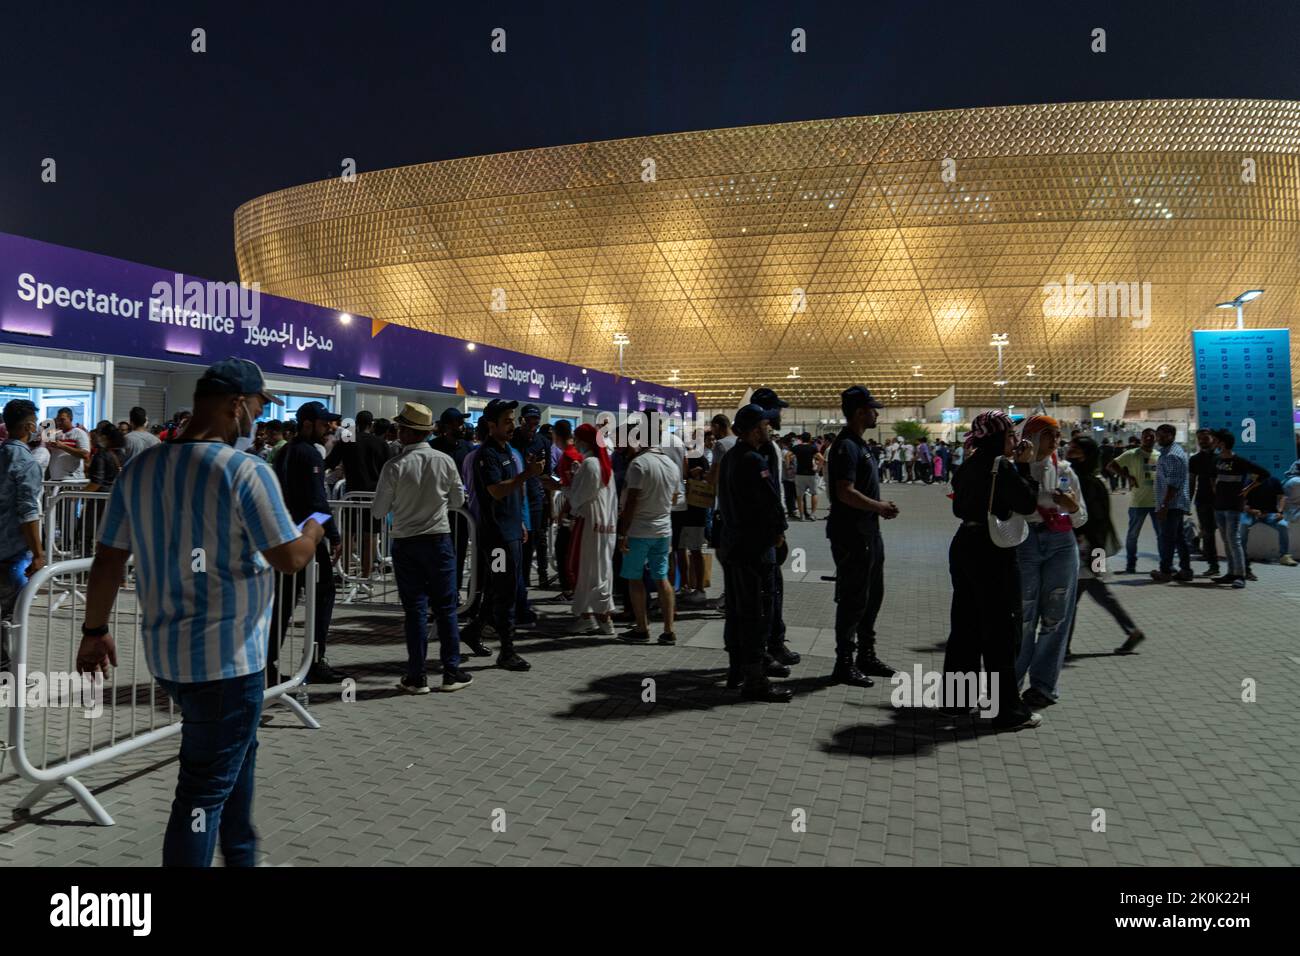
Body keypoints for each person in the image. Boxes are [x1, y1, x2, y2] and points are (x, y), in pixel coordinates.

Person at [76, 357, 324, 866]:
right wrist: (314, 530)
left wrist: (94, 630)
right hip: (228, 662)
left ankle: (241, 855)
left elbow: (107, 561)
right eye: (257, 406)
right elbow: (289, 557)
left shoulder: (139, 470)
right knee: (201, 793)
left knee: (233, 761)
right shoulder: (245, 471)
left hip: (170, 659)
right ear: (236, 405)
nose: (258, 417)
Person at [941, 411, 1041, 730]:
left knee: (965, 626)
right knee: (1000, 630)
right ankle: (1007, 710)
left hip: (964, 545)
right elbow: (1027, 503)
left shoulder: (969, 464)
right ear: (1000, 437)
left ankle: (957, 701)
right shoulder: (1002, 466)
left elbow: (958, 505)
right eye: (1011, 434)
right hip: (991, 551)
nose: (1015, 440)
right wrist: (1025, 465)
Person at [372, 402, 471, 693]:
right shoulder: (445, 461)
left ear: (407, 431)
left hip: (405, 542)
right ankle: (451, 671)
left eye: (400, 427)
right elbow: (458, 501)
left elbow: (378, 510)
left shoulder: (394, 466)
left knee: (414, 610)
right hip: (439, 539)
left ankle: (417, 675)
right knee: (446, 608)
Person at [824, 385, 899, 687]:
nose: (876, 413)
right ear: (859, 412)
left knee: (872, 596)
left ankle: (865, 654)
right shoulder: (847, 447)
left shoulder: (860, 444)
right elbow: (844, 492)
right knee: (854, 599)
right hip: (852, 534)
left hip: (868, 532)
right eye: (872, 409)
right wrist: (879, 506)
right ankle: (844, 662)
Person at [717, 403, 791, 702]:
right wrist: (779, 531)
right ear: (752, 428)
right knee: (758, 612)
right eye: (763, 424)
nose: (768, 428)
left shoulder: (732, 457)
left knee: (737, 611)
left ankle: (737, 669)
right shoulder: (753, 459)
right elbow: (769, 502)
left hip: (733, 544)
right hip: (754, 547)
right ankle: (755, 680)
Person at [269, 401, 347, 684]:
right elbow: (318, 500)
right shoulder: (308, 455)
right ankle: (315, 660)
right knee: (323, 595)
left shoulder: (285, 453)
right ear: (307, 424)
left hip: (285, 537)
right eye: (325, 423)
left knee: (284, 602)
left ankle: (268, 664)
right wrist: (334, 535)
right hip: (308, 541)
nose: (330, 427)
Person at [1015, 415, 1086, 709]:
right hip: (1025, 541)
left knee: (1056, 616)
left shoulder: (1065, 470)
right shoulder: (1014, 467)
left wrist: (1070, 507)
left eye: (1058, 435)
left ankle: (1043, 686)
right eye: (1049, 435)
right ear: (1031, 435)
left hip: (1061, 544)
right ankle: (1012, 682)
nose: (1056, 441)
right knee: (1023, 616)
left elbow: (1081, 516)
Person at [472, 398, 542, 670]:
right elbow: (496, 490)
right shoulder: (487, 455)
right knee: (505, 590)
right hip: (497, 537)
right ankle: (507, 650)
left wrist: (521, 522)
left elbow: (513, 492)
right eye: (507, 420)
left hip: (512, 531)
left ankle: (474, 630)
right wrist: (527, 475)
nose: (513, 425)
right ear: (492, 425)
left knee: (498, 587)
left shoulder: (508, 451)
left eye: (513, 419)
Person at [1064, 436, 1145, 655]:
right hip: (1088, 548)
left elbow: (1096, 521)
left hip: (1087, 548)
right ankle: (1132, 631)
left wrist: (1093, 551)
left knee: (1070, 599)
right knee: (1099, 592)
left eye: (1075, 448)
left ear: (1086, 453)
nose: (1069, 450)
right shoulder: (1079, 478)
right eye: (1070, 447)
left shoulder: (1087, 482)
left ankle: (1062, 647)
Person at [617, 420, 679, 644]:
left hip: (639, 530)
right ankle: (669, 629)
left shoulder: (638, 464)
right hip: (663, 530)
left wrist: (623, 533)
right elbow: (674, 497)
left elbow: (632, 501)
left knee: (635, 579)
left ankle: (642, 628)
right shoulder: (671, 464)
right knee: (661, 578)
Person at [0, 399, 47, 672]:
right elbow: (28, 513)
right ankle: (8, 671)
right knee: (11, 616)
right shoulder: (27, 463)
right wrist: (39, 554)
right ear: (29, 426)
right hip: (14, 551)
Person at [324, 409, 391, 579]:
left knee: (348, 534)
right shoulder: (380, 443)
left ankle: (345, 572)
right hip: (374, 495)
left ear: (356, 423)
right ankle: (366, 575)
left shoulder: (348, 440)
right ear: (371, 424)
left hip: (352, 494)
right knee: (370, 537)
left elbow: (330, 462)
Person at [565, 423, 618, 634]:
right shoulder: (602, 464)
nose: (574, 443)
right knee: (598, 572)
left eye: (576, 438)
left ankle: (598, 617)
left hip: (590, 523)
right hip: (604, 525)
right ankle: (594, 617)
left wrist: (563, 488)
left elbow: (579, 497)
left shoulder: (590, 464)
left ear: (584, 441)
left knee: (584, 569)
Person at [1210, 429, 1270, 588]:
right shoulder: (1216, 460)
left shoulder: (1240, 461)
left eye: (1215, 440)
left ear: (1222, 443)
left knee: (1234, 540)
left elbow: (1264, 474)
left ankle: (1241, 575)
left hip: (1233, 507)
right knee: (1226, 540)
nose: (1213, 443)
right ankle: (1230, 573)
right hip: (1219, 506)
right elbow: (1214, 477)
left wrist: (1247, 489)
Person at [1107, 428, 1160, 573]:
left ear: (1155, 439)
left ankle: (1166, 565)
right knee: (1132, 536)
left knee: (1161, 535)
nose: (1148, 439)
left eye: (1151, 437)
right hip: (1138, 503)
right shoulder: (1131, 454)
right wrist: (1127, 476)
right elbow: (1111, 466)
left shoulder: (1159, 455)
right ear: (1141, 438)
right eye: (1145, 436)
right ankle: (1131, 565)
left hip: (1157, 503)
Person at [511, 404, 552, 590]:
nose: (533, 423)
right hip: (515, 496)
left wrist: (550, 502)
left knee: (536, 539)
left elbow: (548, 474)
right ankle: (518, 580)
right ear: (522, 419)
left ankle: (534, 577)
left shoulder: (542, 441)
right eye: (529, 419)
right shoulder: (513, 439)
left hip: (536, 498)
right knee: (517, 541)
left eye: (536, 419)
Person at [1150, 424, 1193, 583]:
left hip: (1172, 505)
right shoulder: (1168, 452)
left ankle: (1166, 571)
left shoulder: (1172, 455)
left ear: (1171, 436)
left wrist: (1164, 506)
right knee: (1178, 538)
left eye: (1162, 436)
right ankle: (1186, 570)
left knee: (1167, 538)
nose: (1158, 439)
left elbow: (1173, 484)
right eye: (1158, 435)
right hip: (1174, 504)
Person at [1241, 473, 1296, 571]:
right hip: (1252, 513)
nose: (1253, 477)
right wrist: (1251, 511)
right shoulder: (1248, 483)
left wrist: (1280, 512)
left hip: (1270, 513)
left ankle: (1284, 556)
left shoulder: (1274, 481)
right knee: (1244, 524)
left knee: (1283, 525)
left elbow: (1282, 497)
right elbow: (1242, 501)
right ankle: (1242, 555)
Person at [1187, 428, 1222, 577]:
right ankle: (1213, 565)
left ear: (1212, 439)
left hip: (1221, 501)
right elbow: (1191, 481)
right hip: (1202, 500)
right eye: (1200, 439)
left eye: (1205, 438)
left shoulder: (1221, 458)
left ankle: (1240, 567)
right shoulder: (1194, 459)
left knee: (1227, 534)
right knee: (1208, 533)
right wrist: (1187, 502)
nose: (1202, 441)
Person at [46, 406, 92, 481]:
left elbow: (85, 454)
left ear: (70, 419)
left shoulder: (79, 433)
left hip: (72, 479)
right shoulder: (56, 434)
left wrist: (63, 446)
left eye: (62, 420)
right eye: (58, 420)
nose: (59, 422)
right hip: (55, 478)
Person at [792, 433, 821, 519]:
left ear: (801, 439)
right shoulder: (813, 447)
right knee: (814, 494)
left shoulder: (796, 447)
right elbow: (821, 458)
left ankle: (801, 516)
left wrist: (788, 467)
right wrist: (818, 469)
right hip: (811, 474)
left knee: (800, 496)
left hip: (799, 474)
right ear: (810, 439)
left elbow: (787, 455)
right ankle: (812, 514)